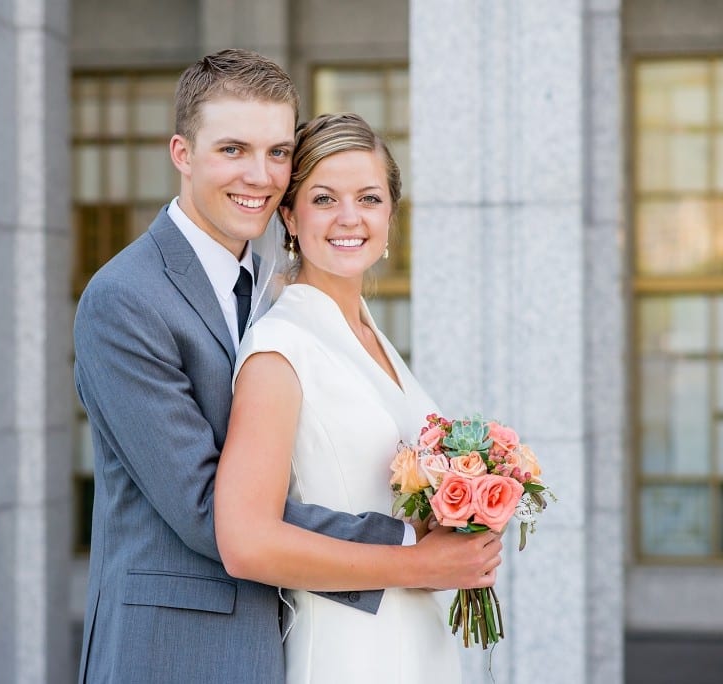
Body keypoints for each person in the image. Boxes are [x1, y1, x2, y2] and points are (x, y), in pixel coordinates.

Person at [74, 49, 498, 683]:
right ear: (182, 154)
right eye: (233, 149)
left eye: (277, 153)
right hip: (174, 650)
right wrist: (414, 549)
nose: (259, 175)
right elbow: (209, 513)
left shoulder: (279, 298)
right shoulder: (126, 299)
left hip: (292, 635)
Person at [214, 113, 500, 682]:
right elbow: (245, 542)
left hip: (418, 641)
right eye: (324, 198)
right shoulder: (280, 348)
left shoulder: (369, 336)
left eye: (369, 198)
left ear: (391, 214)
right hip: (349, 652)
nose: (350, 218)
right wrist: (420, 564)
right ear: (290, 217)